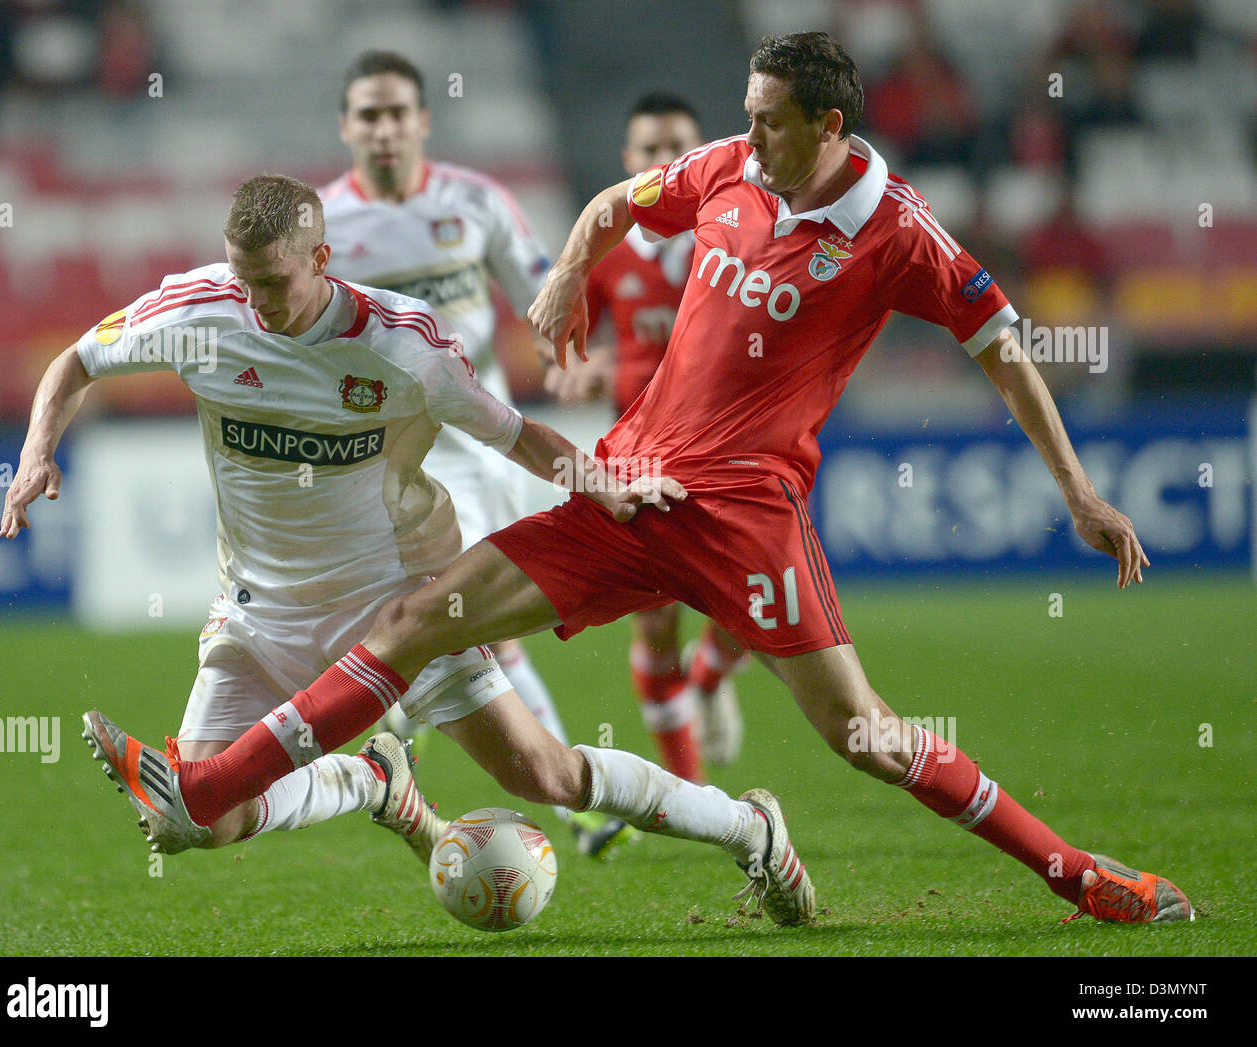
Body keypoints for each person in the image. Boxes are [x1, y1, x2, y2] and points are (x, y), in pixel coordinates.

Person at [81, 32, 1193, 926]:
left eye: (766, 120)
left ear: (830, 126)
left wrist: (1078, 494)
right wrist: (568, 273)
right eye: (745, 113)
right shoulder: (728, 169)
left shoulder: (896, 233)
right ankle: (214, 787)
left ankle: (1075, 875)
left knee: (867, 740)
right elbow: (617, 205)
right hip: (622, 494)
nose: (743, 136)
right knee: (419, 616)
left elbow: (1001, 346)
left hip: (746, 522)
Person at [3, 174, 669, 867]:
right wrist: (34, 454)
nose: (255, 302)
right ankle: (372, 782)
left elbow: (518, 433)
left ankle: (737, 824)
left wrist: (605, 487)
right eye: (242, 278)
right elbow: (76, 361)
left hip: (391, 601)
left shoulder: (399, 341)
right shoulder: (199, 313)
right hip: (259, 613)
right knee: (199, 822)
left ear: (320, 260)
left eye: (271, 281)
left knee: (542, 775)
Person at [319, 49, 631, 855]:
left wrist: (570, 347)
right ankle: (571, 798)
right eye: (368, 114)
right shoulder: (322, 226)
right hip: (386, 456)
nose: (384, 129)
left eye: (397, 113)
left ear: (423, 120)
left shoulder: (474, 202)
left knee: (485, 629)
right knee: (451, 619)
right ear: (346, 126)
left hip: (487, 443)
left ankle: (404, 733)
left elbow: (542, 285)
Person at [546, 92, 746, 780]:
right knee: (656, 620)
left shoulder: (737, 236)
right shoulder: (602, 254)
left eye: (677, 148)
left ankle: (712, 677)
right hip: (647, 454)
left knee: (751, 608)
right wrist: (573, 366)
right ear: (628, 164)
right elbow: (564, 340)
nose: (664, 160)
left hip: (735, 444)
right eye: (649, 151)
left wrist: (619, 361)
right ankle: (692, 789)